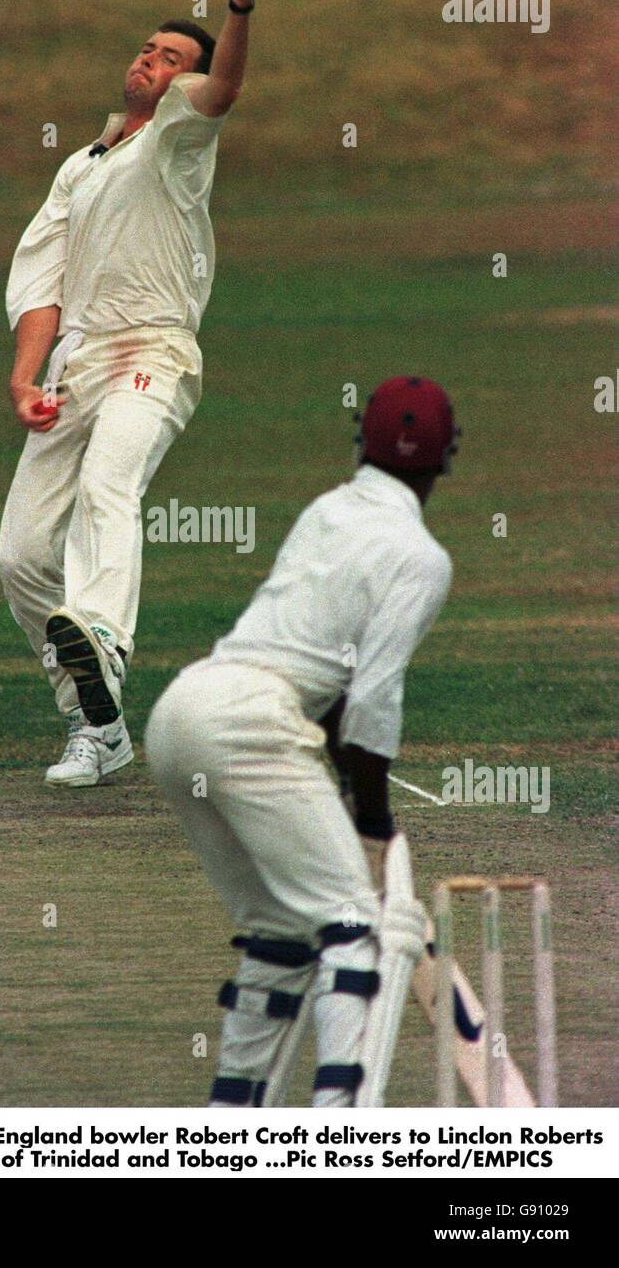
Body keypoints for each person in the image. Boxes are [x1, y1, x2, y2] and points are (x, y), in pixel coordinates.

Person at [0, 0, 272, 788]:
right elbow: (43, 280)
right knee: (21, 558)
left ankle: (105, 636)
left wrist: (237, 4)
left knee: (111, 485)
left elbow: (225, 86)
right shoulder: (80, 163)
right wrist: (23, 377)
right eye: (146, 49)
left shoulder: (179, 135)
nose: (149, 60)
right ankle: (97, 720)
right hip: (76, 364)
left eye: (167, 55)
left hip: (155, 350)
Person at [145, 377, 459, 1106]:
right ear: (446, 457)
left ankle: (233, 1119)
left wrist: (350, 791)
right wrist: (374, 825)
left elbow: (334, 681)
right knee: (354, 924)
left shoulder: (327, 510)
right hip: (251, 723)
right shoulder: (421, 557)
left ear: (361, 443)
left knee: (279, 928)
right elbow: (372, 699)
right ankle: (339, 1124)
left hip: (181, 712)